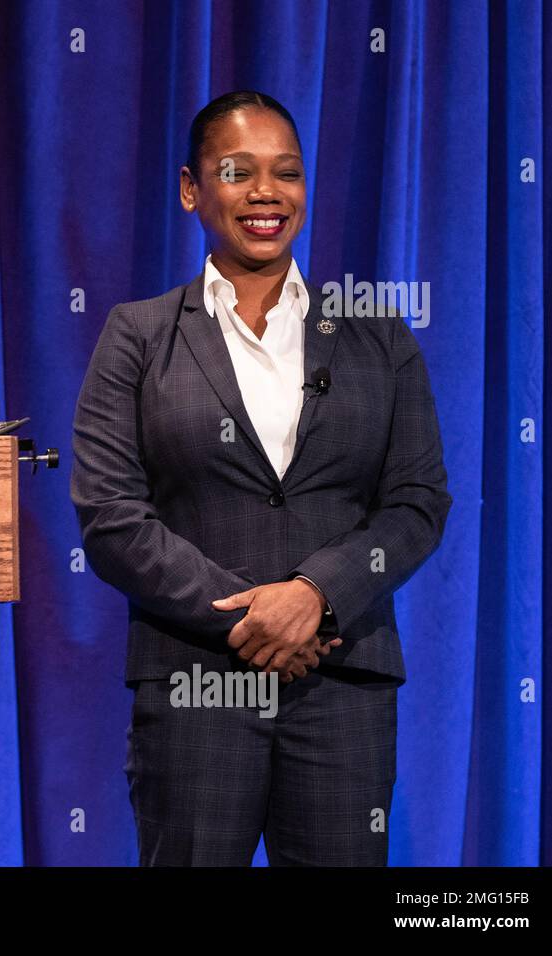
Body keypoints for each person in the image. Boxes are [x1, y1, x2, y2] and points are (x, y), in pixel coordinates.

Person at [71, 91, 452, 865]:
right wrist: (251, 620)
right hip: (196, 687)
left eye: (288, 174)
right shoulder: (138, 336)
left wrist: (314, 597)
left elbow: (417, 503)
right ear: (191, 188)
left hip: (340, 681)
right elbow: (111, 516)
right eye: (238, 172)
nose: (267, 194)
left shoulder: (376, 333)